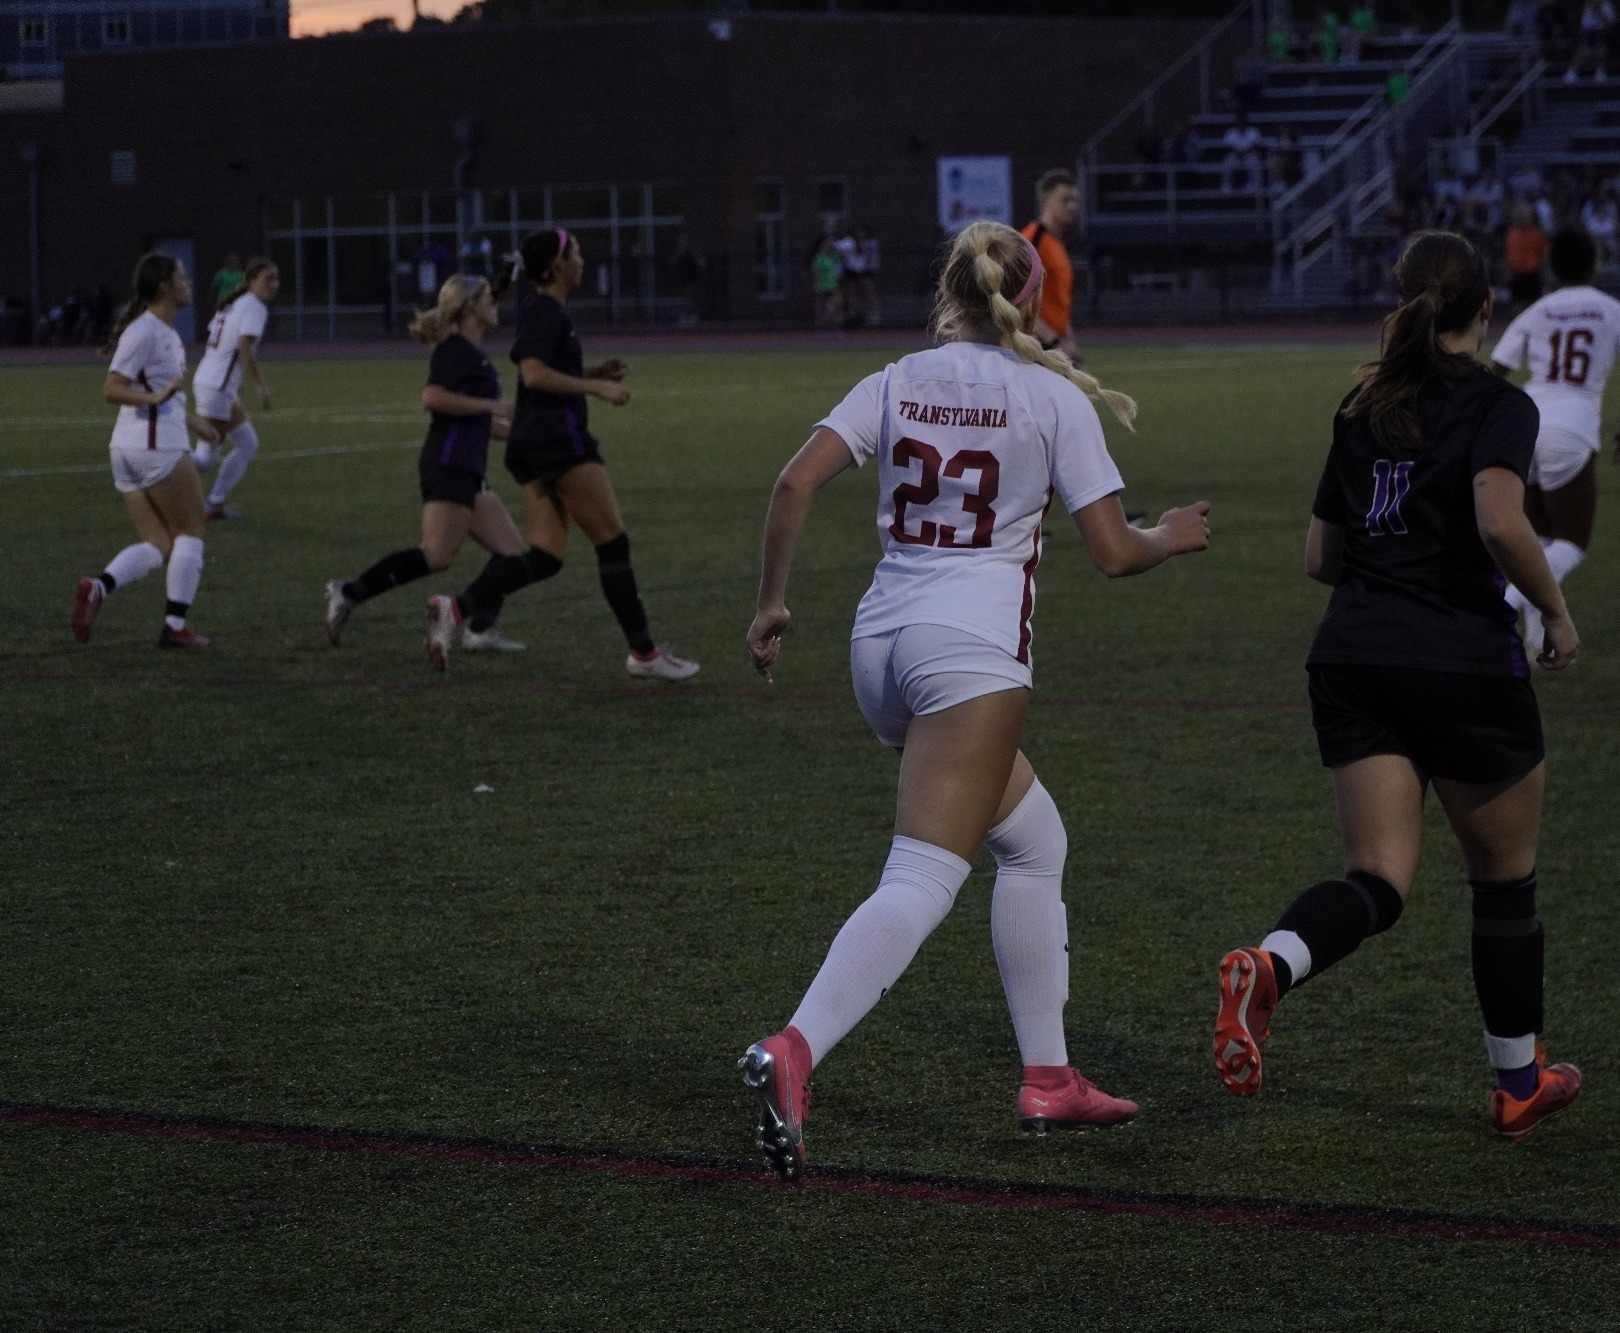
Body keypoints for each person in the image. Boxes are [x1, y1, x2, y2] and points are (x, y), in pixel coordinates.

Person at [737, 221, 1212, 1182]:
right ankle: (795, 1046)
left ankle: (1050, 1076)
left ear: (946, 291)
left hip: (880, 650)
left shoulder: (895, 377)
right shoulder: (1049, 396)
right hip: (970, 658)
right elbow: (1116, 553)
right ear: (1027, 300)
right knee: (921, 876)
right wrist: (1171, 533)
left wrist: (773, 602)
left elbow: (794, 481)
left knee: (1035, 842)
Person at [1210, 231, 1582, 1141]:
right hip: (1456, 654)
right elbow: (1500, 520)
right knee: (1502, 876)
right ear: (1486, 308)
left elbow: (1319, 557)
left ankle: (1274, 962)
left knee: (1378, 876)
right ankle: (1517, 1082)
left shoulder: (1364, 402)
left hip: (1352, 654)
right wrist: (1556, 611)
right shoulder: (1499, 403)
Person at [424, 229, 700, 681]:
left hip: (533, 445)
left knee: (547, 556)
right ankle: (645, 654)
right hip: (558, 443)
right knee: (613, 543)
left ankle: (454, 609)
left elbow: (546, 368)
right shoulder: (545, 311)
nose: (582, 258)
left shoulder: (545, 312)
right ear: (555, 267)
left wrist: (592, 370)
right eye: (573, 252)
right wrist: (597, 387)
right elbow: (533, 375)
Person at [325, 273, 528, 651]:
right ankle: (349, 591)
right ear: (469, 307)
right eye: (488, 298)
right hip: (449, 462)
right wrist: (490, 406)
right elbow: (433, 398)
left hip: (468, 465)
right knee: (436, 555)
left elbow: (480, 423)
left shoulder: (473, 354)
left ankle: (481, 629)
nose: (495, 304)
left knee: (512, 554)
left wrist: (518, 431)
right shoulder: (454, 350)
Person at [1489, 227, 1620, 649]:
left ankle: (1536, 639)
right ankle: (1502, 608)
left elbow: (1496, 372)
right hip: (1571, 425)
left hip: (1524, 421)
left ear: (1550, 266)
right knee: (1572, 544)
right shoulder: (1614, 311)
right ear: (1594, 264)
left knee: (1538, 536)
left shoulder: (1535, 311)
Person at [71, 252, 219, 649]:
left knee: (159, 545)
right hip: (156, 449)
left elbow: (162, 394)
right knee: (192, 531)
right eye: (182, 277)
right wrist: (155, 398)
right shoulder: (147, 331)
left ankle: (98, 588)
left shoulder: (163, 332)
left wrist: (194, 422)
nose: (189, 283)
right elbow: (112, 389)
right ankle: (175, 626)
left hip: (129, 449)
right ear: (164, 288)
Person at [190, 257, 278, 521]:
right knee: (205, 459)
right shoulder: (254, 307)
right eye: (268, 279)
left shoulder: (234, 304)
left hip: (214, 383)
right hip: (216, 386)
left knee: (248, 444)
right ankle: (154, 463)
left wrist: (235, 383)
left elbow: (222, 345)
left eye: (276, 279)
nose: (274, 285)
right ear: (251, 282)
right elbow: (243, 348)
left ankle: (214, 503)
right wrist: (260, 387)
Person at [1022, 169, 1082, 362]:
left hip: (1053, 349)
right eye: (1065, 200)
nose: (1072, 206)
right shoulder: (1032, 241)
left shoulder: (1057, 243)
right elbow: (1014, 299)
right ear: (1045, 202)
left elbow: (1059, 301)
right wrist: (1054, 342)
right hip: (1033, 351)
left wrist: (1068, 340)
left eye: (1074, 200)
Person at [1505, 202, 1547, 307]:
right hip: (1516, 275)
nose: (1521, 216)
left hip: (1532, 275)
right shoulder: (1511, 233)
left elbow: (1543, 255)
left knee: (1532, 306)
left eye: (1523, 214)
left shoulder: (1537, 234)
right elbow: (1509, 255)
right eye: (1519, 213)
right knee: (1516, 307)